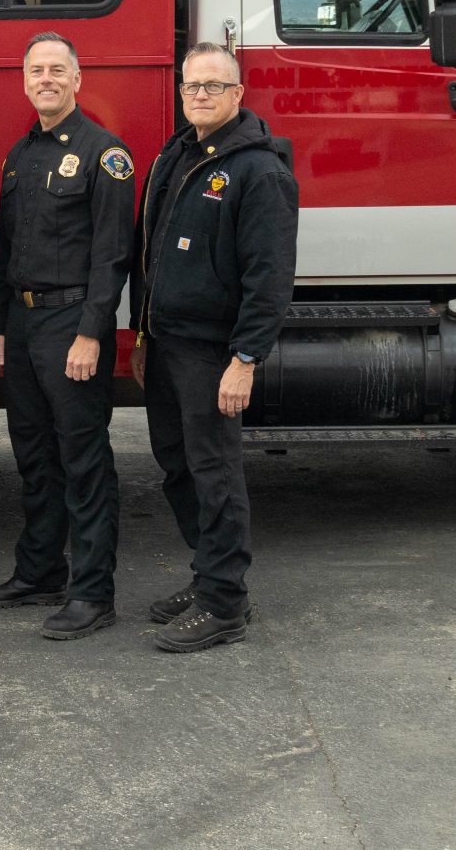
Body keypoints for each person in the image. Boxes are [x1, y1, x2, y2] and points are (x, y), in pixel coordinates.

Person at [132, 42, 297, 653]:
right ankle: (209, 576)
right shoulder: (176, 156)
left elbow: (270, 278)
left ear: (238, 94)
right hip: (168, 346)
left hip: (214, 353)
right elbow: (149, 256)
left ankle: (225, 603)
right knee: (177, 464)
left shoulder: (260, 171)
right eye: (190, 87)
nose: (198, 96)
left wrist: (245, 359)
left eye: (212, 86)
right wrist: (144, 332)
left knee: (215, 472)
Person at [0, 32, 136, 640]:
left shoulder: (104, 153)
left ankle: (93, 593)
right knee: (35, 457)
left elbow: (112, 255)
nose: (45, 79)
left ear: (77, 79)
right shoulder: (19, 155)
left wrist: (93, 334)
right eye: (35, 71)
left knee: (83, 459)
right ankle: (40, 571)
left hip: (72, 325)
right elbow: (6, 249)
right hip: (22, 324)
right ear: (25, 81)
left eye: (56, 70)